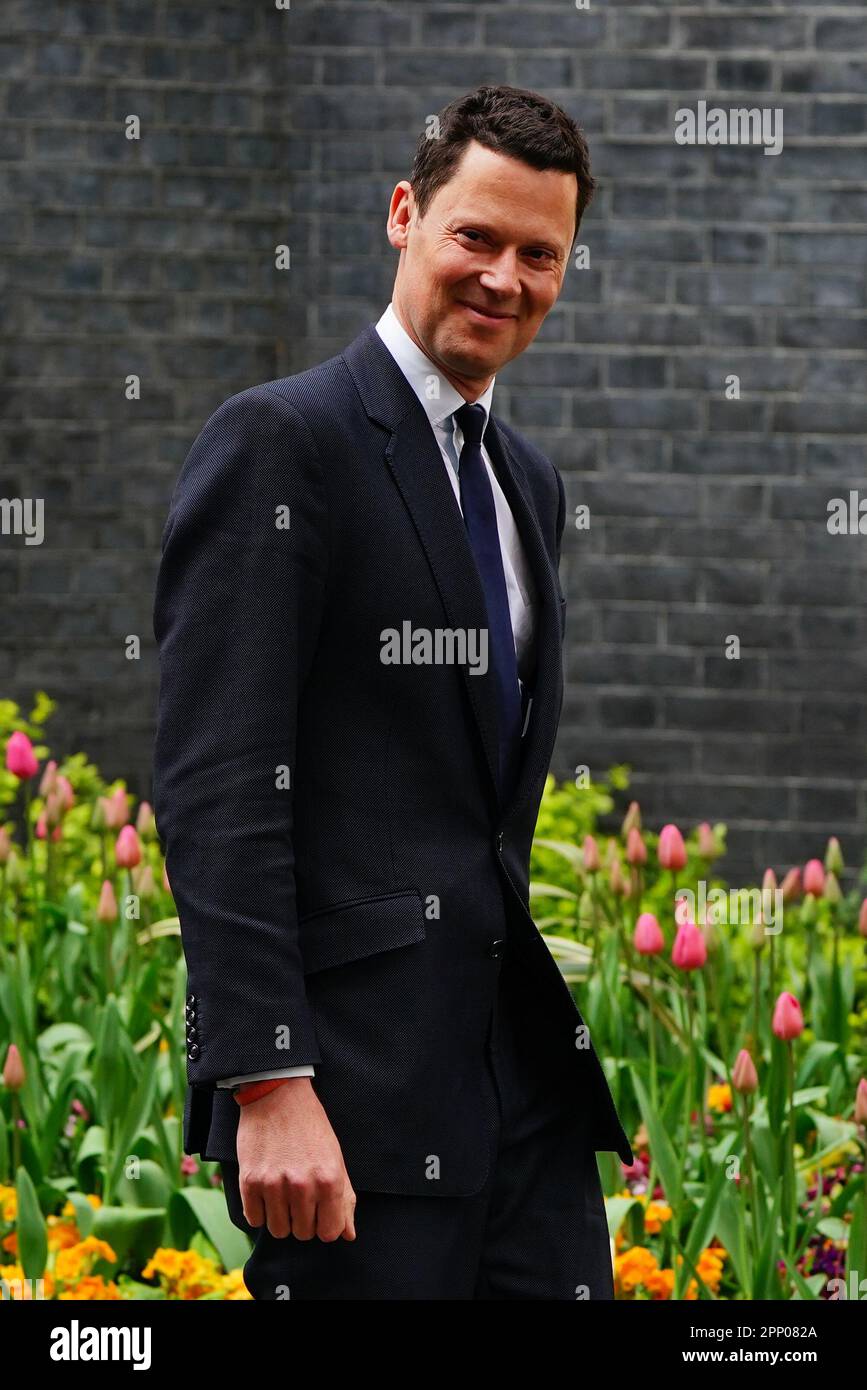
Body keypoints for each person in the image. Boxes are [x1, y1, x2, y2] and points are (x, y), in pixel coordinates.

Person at [152, 83, 632, 1301]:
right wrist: (268, 1082)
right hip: (347, 1118)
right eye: (477, 237)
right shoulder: (283, 444)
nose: (505, 279)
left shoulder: (532, 485)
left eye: (542, 255)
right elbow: (219, 779)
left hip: (517, 1105)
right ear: (405, 215)